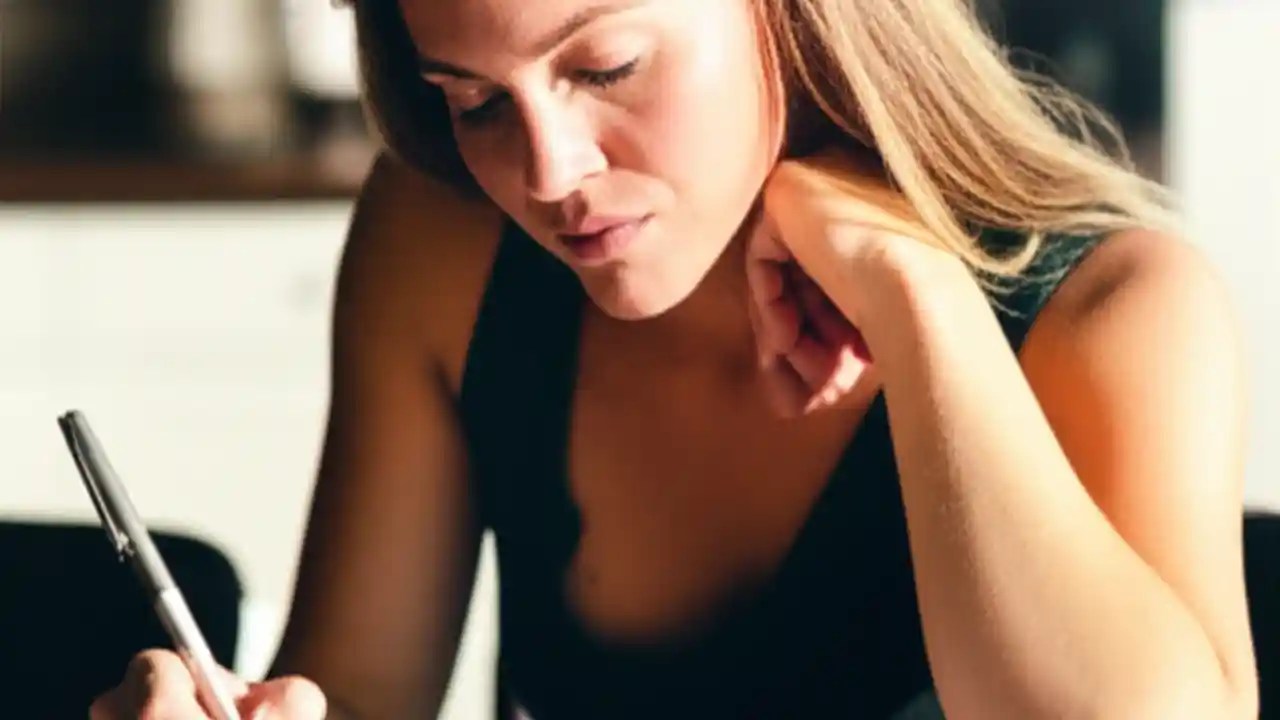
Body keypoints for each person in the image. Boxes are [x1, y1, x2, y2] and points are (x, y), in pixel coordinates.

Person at [92, 0, 1260, 718]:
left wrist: (916, 297)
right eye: (473, 101)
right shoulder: (443, 239)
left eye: (603, 69)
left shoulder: (1116, 309)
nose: (545, 175)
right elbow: (355, 691)